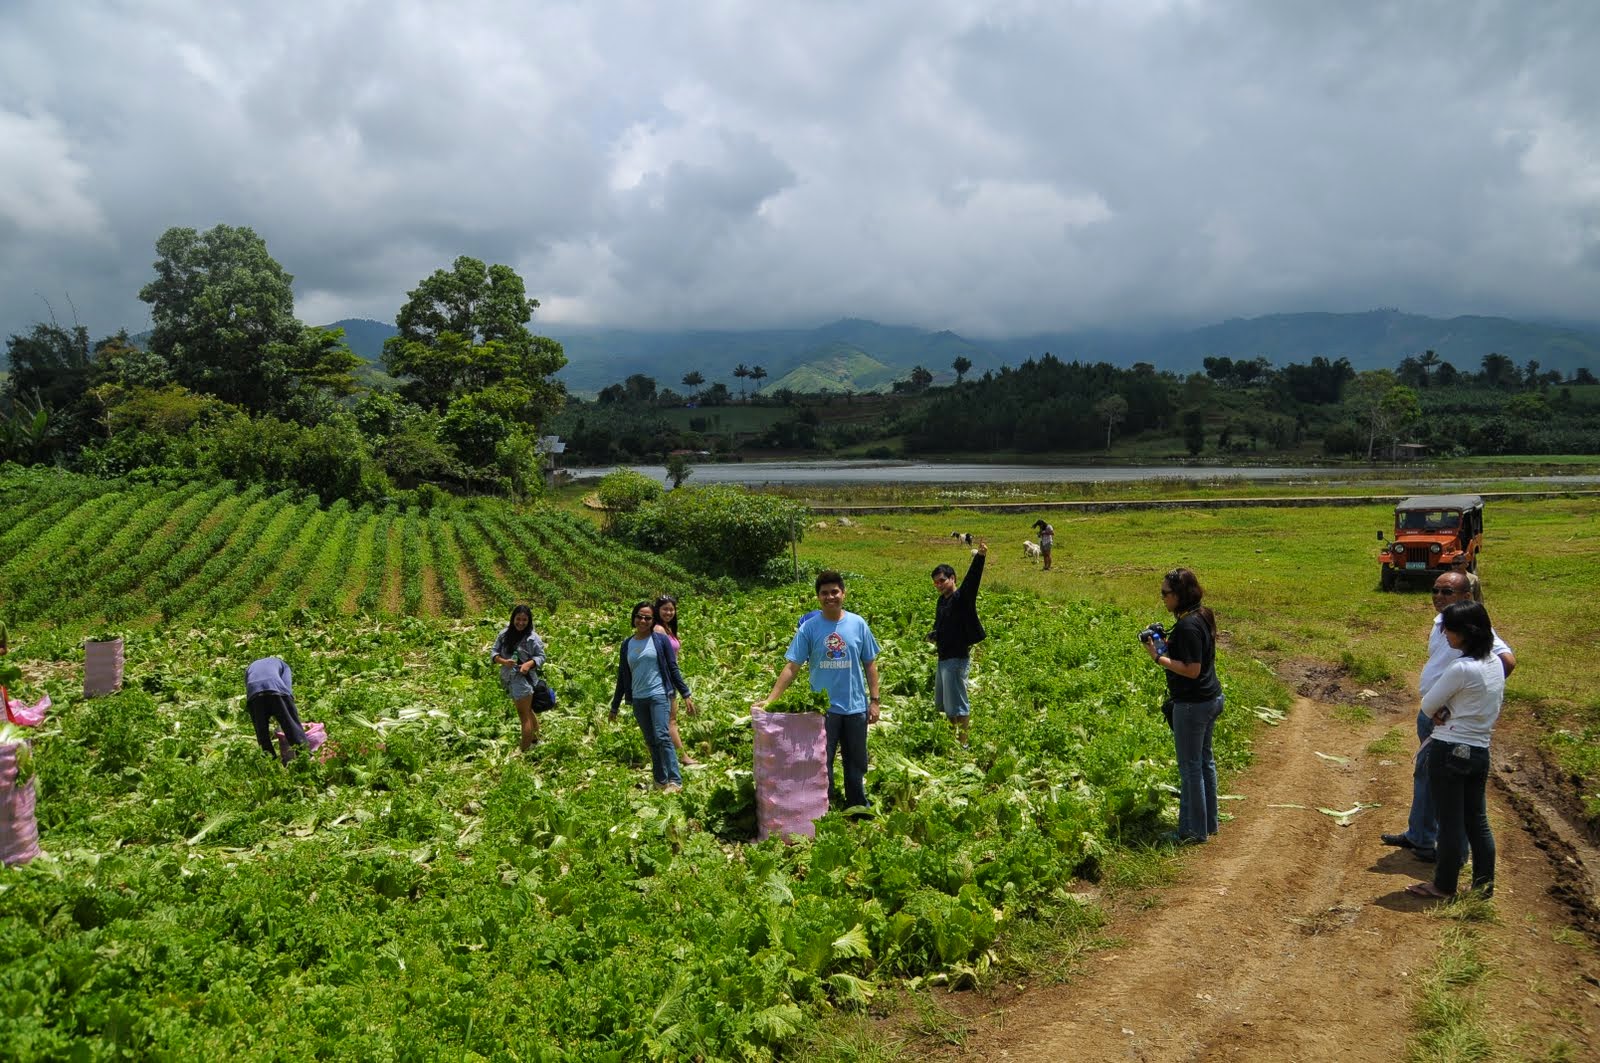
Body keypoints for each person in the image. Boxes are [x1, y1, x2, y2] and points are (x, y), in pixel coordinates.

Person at [1381, 571, 1514, 861]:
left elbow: (1507, 661)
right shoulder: (1442, 623)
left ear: (1466, 596)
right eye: (1436, 590)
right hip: (1433, 714)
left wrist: (1465, 704)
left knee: (1447, 788)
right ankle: (1419, 834)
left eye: (1447, 592)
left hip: (1449, 723)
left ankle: (1448, 854)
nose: (1439, 597)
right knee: (1425, 775)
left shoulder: (1473, 628)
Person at [755, 570, 882, 814]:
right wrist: (771, 700)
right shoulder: (809, 628)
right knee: (822, 761)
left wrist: (874, 701)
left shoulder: (858, 624)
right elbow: (792, 666)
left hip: (855, 706)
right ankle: (826, 806)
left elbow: (870, 664)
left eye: (834, 592)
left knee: (856, 761)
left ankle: (857, 806)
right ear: (818, 597)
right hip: (823, 710)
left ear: (843, 593)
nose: (830, 597)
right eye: (824, 593)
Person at [1405, 601, 1505, 900]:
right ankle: (1483, 886)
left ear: (1466, 632)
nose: (1445, 634)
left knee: (1449, 822)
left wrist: (1441, 711)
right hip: (1479, 751)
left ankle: (1444, 885)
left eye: (1449, 628)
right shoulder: (1494, 664)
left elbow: (1427, 704)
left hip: (1449, 749)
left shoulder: (1461, 667)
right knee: (1477, 820)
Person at [1145, 568, 1224, 844]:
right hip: (1210, 698)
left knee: (1190, 767)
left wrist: (1157, 657)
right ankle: (1208, 823)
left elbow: (1191, 669)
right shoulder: (1201, 615)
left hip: (1193, 705)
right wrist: (1167, 643)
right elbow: (1191, 653)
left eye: (1165, 593)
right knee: (1204, 762)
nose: (1163, 598)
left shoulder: (1188, 625)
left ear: (1179, 595)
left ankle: (1192, 832)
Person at [610, 601, 695, 792]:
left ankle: (675, 780)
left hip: (659, 694)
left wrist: (685, 693)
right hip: (639, 699)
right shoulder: (627, 644)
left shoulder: (659, 639)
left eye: (648, 618)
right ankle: (660, 780)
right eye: (639, 616)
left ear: (652, 620)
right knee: (650, 740)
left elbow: (672, 668)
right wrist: (615, 705)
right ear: (633, 618)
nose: (643, 620)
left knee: (662, 736)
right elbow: (623, 676)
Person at [929, 539, 987, 744]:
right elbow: (941, 624)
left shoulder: (962, 598)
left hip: (956, 658)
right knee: (946, 705)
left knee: (958, 706)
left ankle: (963, 744)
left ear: (953, 579)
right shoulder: (942, 601)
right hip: (944, 657)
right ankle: (953, 741)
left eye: (942, 580)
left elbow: (972, 581)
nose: (939, 585)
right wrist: (934, 634)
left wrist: (980, 557)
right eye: (936, 582)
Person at [491, 604, 547, 751]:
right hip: (509, 678)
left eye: (524, 620)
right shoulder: (504, 634)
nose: (521, 623)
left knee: (523, 715)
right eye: (518, 619)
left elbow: (541, 656)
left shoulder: (532, 638)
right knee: (528, 711)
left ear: (529, 621)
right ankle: (535, 741)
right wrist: (504, 661)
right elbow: (494, 653)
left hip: (523, 680)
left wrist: (528, 664)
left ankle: (524, 749)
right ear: (513, 618)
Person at [653, 595, 696, 765]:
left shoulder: (667, 628)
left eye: (671, 609)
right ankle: (681, 757)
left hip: (670, 677)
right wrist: (683, 689)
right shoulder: (659, 630)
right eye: (665, 609)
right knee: (670, 720)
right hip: (665, 679)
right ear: (657, 610)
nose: (669, 612)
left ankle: (667, 755)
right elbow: (663, 660)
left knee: (666, 720)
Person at [244, 656, 308, 760]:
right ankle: (304, 757)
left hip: (254, 694)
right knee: (291, 726)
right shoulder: (284, 665)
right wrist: (288, 710)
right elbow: (287, 689)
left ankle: (270, 762)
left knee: (262, 732)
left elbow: (249, 685)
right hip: (275, 688)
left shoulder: (250, 667)